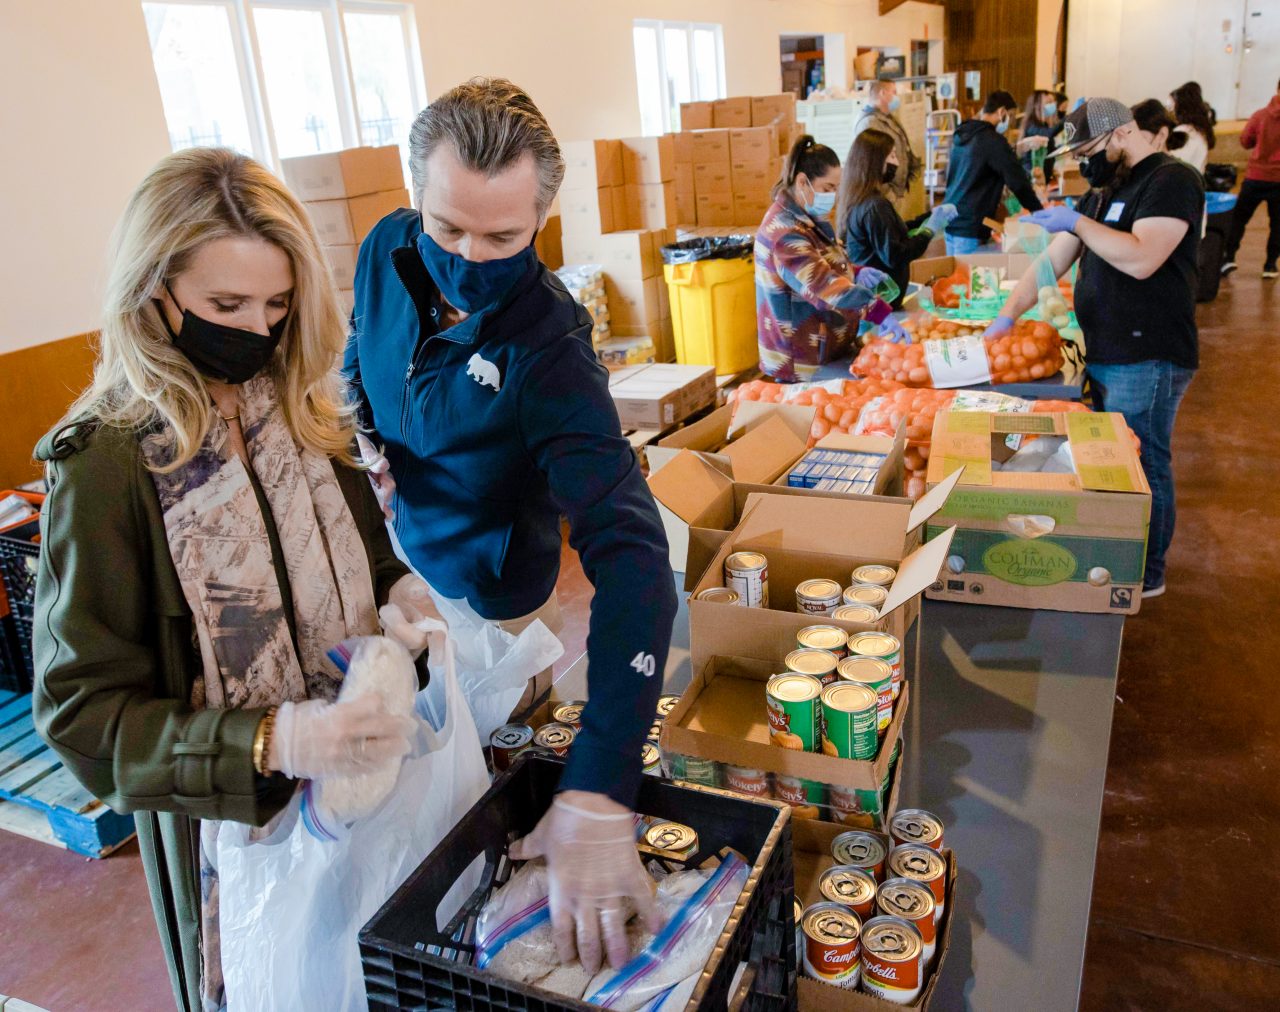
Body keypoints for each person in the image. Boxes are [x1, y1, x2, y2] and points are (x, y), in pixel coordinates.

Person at [31, 148, 433, 1011]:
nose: (255, 329)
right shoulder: (108, 464)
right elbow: (82, 716)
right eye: (224, 305)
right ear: (154, 292)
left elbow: (377, 561)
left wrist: (405, 603)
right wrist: (272, 741)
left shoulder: (305, 410)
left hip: (363, 798)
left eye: (278, 305)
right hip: (230, 838)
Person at [343, 79, 677, 974]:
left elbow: (636, 560)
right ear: (413, 196)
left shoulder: (550, 351)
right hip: (401, 563)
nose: (469, 258)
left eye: (504, 239)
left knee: (481, 800)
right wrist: (362, 437)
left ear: (544, 216)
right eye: (447, 228)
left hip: (496, 599)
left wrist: (602, 787)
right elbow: (357, 351)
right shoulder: (384, 250)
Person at [985, 98, 1204, 598]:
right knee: (1114, 459)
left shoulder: (1171, 181)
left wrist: (1078, 223)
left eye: (1090, 150)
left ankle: (1148, 571)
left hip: (1148, 354)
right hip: (1107, 350)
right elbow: (1051, 264)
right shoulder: (1104, 192)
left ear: (1123, 133)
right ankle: (1121, 550)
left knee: (1145, 461)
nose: (1086, 162)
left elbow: (1143, 258)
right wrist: (1007, 315)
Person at [755, 135, 903, 381]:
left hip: (823, 348)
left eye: (836, 188)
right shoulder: (784, 232)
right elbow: (823, 286)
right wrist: (877, 310)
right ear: (803, 182)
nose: (833, 196)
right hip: (800, 360)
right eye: (827, 188)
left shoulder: (805, 218)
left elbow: (820, 260)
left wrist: (853, 271)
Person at [838, 128, 957, 309]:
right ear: (875, 161)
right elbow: (896, 254)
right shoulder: (874, 206)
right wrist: (928, 230)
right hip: (880, 304)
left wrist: (930, 216)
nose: (897, 161)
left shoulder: (865, 200)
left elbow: (893, 231)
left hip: (880, 303)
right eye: (892, 155)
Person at [941, 90, 1044, 254]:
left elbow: (978, 163)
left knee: (956, 278)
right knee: (970, 277)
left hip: (950, 220)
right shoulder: (993, 140)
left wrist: (1016, 149)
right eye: (1010, 116)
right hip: (970, 226)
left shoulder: (964, 134)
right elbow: (1017, 182)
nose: (1010, 123)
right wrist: (1039, 213)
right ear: (1002, 112)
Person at [1223, 78, 1280, 280]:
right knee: (1277, 225)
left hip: (1255, 177)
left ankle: (1228, 257)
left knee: (1239, 219)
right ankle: (1270, 265)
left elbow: (1246, 141)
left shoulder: (1260, 115)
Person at [852, 78, 921, 202]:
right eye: (893, 92)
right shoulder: (869, 123)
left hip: (895, 192)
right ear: (882, 93)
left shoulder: (887, 117)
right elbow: (871, 165)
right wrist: (888, 193)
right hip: (885, 195)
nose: (897, 97)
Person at [1168, 82, 1215, 173]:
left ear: (1180, 108)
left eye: (1171, 107)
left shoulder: (1183, 132)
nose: (1169, 112)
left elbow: (1173, 166)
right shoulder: (1199, 129)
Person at [1019, 89, 1062, 180]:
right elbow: (1048, 134)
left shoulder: (1044, 125)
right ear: (1038, 105)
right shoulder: (1031, 125)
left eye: (1053, 102)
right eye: (1048, 102)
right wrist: (1067, 119)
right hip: (1032, 177)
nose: (1053, 105)